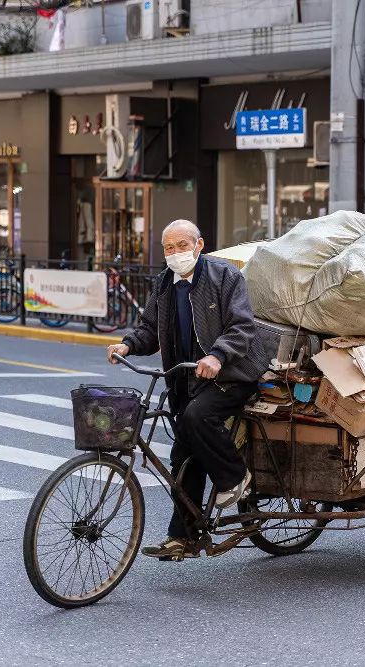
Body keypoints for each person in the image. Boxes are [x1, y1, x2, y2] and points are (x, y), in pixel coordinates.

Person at [107, 219, 269, 560]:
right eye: (169, 248)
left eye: (183, 245)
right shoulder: (165, 283)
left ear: (199, 245)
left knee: (197, 418)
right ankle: (183, 537)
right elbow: (149, 328)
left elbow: (242, 326)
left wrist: (218, 355)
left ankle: (235, 478)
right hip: (186, 378)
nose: (176, 253)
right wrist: (127, 345)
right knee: (183, 454)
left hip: (232, 374)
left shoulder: (224, 276)